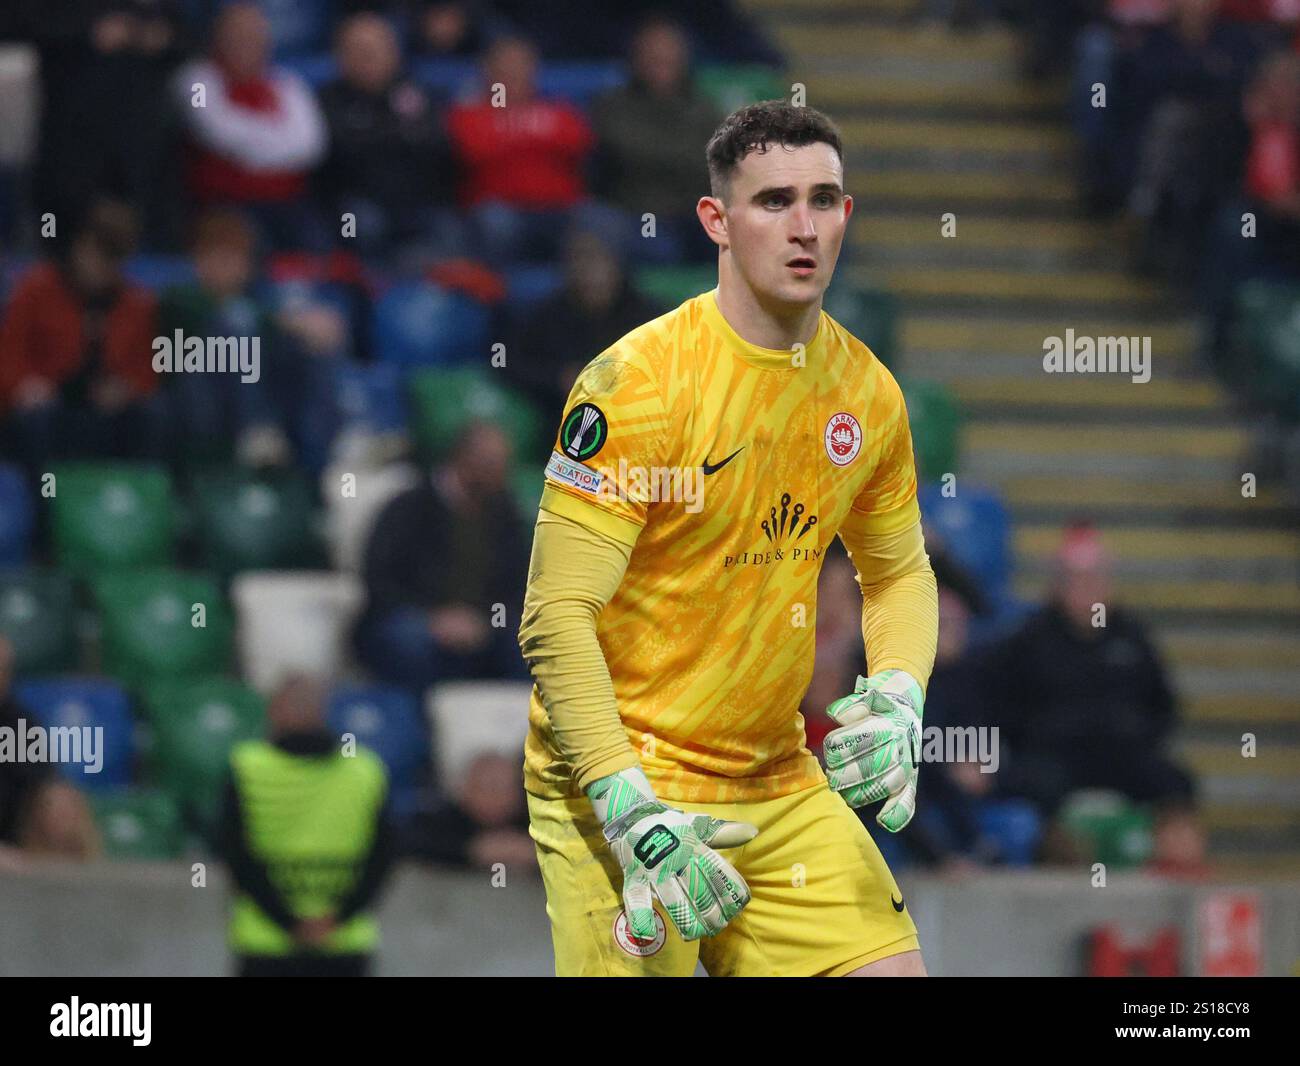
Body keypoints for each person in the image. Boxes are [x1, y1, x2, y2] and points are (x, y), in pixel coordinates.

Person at [518, 101, 938, 977]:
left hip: (774, 776)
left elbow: (898, 574)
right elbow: (556, 616)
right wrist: (628, 806)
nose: (804, 227)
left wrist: (899, 694)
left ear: (847, 216)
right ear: (716, 219)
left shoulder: (867, 394)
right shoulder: (634, 386)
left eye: (824, 201)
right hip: (622, 785)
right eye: (773, 201)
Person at [982, 521, 1205, 870]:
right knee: (1029, 786)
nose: (1087, 589)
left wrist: (1137, 733)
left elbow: (1163, 704)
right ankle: (1063, 862)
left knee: (1175, 782)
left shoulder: (1132, 637)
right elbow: (1000, 707)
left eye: (1095, 579)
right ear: (1058, 585)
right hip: (1054, 757)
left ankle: (1176, 871)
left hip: (1121, 753)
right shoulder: (1029, 640)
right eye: (1076, 580)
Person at [218, 675, 395, 978]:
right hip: (342, 940)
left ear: (272, 711)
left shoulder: (247, 766)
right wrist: (336, 918)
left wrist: (289, 922)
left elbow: (235, 854)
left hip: (267, 941)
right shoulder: (365, 769)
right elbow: (384, 855)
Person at [354, 421, 531, 692]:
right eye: (491, 464)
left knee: (529, 642)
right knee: (408, 641)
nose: (501, 473)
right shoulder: (407, 507)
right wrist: (435, 619)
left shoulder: (505, 514)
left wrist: (487, 620)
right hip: (415, 619)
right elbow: (378, 580)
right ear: (464, 459)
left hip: (482, 624)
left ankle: (520, 728)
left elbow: (517, 586)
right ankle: (417, 726)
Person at [0, 200, 161, 473]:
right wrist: (25, 385)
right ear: (80, 246)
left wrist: (126, 388)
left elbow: (148, 368)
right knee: (37, 420)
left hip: (104, 411)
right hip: (49, 405)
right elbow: (8, 356)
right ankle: (46, 507)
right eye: (96, 254)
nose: (100, 267)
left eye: (112, 259)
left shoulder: (137, 303)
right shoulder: (36, 289)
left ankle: (132, 502)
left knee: (152, 417)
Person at [173, 1, 329, 250]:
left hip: (290, 205)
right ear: (218, 37)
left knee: (325, 251)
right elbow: (214, 130)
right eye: (237, 35)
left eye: (253, 35)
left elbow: (310, 145)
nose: (246, 43)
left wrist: (251, 154)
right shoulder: (197, 82)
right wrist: (277, 145)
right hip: (225, 205)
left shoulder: (288, 85)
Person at [589, 15, 722, 263]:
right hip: (635, 213)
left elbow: (716, 161)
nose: (660, 62)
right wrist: (679, 156)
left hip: (692, 215)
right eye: (652, 55)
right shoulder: (613, 105)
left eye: (668, 54)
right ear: (636, 58)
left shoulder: (704, 108)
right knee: (653, 244)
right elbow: (625, 153)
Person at [0, 637, 100, 867]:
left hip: (13, 843)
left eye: (4, 671)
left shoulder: (18, 723)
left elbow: (46, 781)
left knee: (60, 801)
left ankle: (69, 877)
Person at [399, 751, 537, 872]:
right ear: (465, 789)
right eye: (488, 788)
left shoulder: (535, 824)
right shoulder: (441, 821)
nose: (496, 797)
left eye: (506, 788)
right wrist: (473, 850)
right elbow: (413, 841)